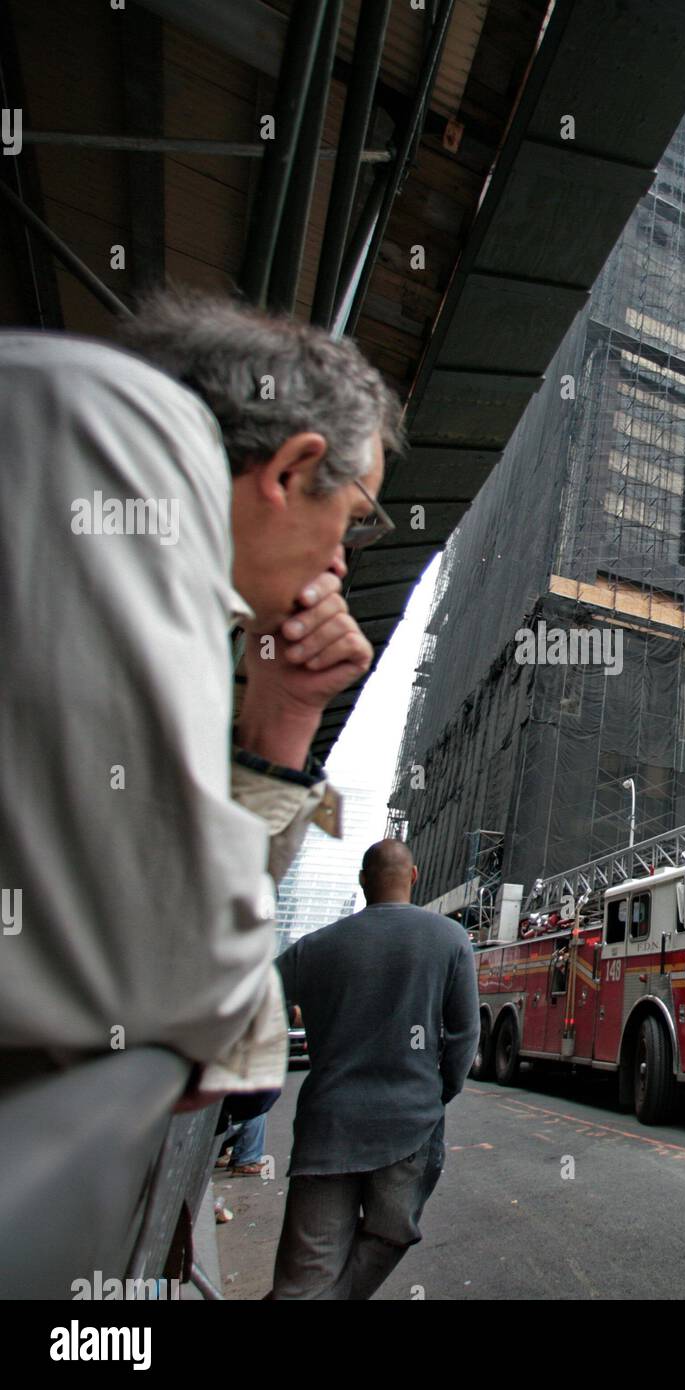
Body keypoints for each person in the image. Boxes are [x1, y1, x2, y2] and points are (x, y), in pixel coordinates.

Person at [0, 291, 403, 1106]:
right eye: (355, 519)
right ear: (290, 470)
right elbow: (183, 997)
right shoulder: (132, 470)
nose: (341, 564)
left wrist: (285, 710)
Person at [271, 839, 480, 1300]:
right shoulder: (450, 938)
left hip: (327, 1128)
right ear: (416, 876)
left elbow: (251, 999)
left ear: (363, 880)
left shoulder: (315, 948)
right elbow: (465, 1034)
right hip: (410, 1123)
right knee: (391, 1234)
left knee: (305, 1274)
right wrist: (438, 1091)